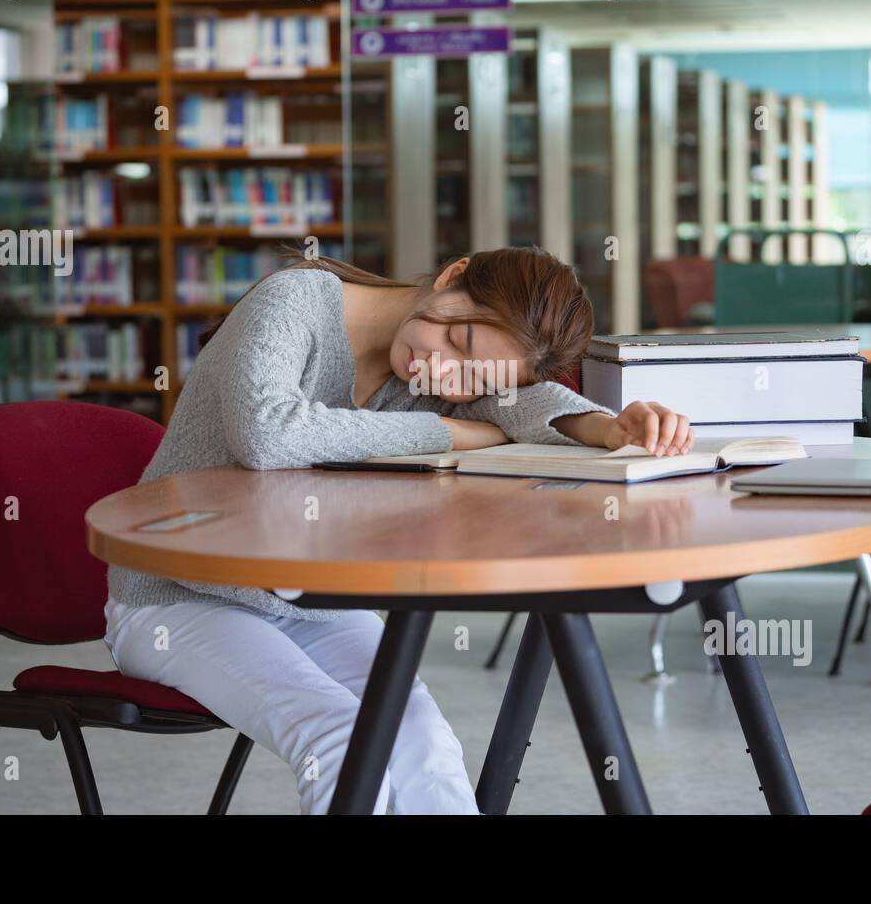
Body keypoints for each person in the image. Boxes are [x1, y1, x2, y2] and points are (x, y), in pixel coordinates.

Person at [103, 247, 694, 813]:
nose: (441, 371)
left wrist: (609, 427)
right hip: (179, 597)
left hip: (312, 601)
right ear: (452, 275)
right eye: (458, 340)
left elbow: (522, 403)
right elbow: (270, 435)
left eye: (475, 377)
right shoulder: (297, 301)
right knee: (339, 739)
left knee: (426, 744)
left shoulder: (439, 378)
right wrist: (449, 432)